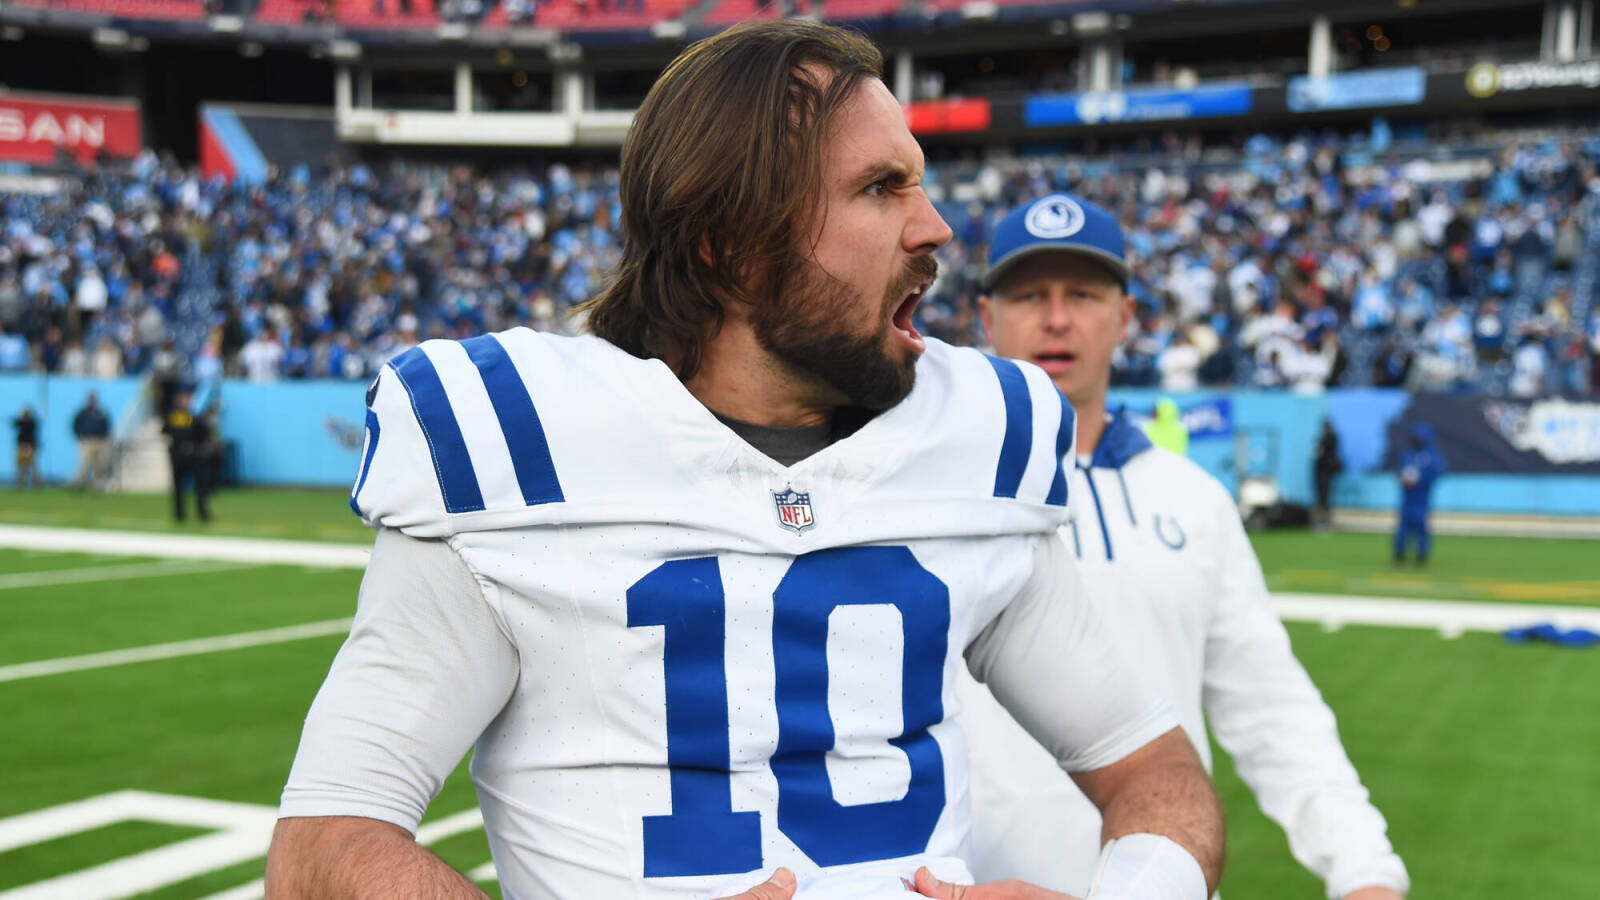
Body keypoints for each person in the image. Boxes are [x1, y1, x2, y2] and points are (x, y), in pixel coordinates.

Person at [265, 22, 1223, 900]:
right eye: (880, 188)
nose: (935, 227)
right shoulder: (516, 445)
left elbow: (1155, 770)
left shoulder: (977, 435)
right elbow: (324, 847)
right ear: (731, 246)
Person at [963, 192, 1409, 900]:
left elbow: (1269, 706)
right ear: (987, 318)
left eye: (1083, 294)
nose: (1056, 318)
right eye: (1028, 295)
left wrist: (1366, 871)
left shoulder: (1195, 500)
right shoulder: (934, 499)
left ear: (1126, 318)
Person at [1394, 423, 1445, 566]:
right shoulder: (1407, 454)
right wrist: (1403, 479)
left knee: (1421, 527)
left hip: (1421, 497)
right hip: (1407, 497)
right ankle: (1399, 555)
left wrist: (1419, 480)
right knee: (1403, 527)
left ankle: (1421, 556)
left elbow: (1437, 472)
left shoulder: (1431, 456)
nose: (1415, 441)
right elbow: (1399, 470)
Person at [162, 390, 212, 523]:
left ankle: (202, 512)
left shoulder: (192, 417)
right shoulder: (175, 417)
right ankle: (180, 514)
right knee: (179, 487)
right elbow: (165, 432)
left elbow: (204, 432)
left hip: (193, 454)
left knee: (200, 485)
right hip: (180, 455)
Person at [72, 392, 114, 491]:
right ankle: (79, 484)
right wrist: (80, 436)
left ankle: (96, 486)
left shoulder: (100, 412)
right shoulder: (83, 413)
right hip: (87, 441)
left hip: (101, 441)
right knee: (85, 464)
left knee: (101, 464)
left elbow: (107, 425)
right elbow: (75, 425)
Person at [1314, 420, 1343, 531]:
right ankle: (1322, 522)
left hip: (1326, 474)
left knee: (1325, 499)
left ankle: (1325, 522)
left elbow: (1322, 454)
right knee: (1322, 499)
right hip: (1322, 474)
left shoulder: (1330, 440)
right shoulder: (1325, 440)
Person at [11, 405, 40, 488]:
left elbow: (32, 427)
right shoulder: (21, 422)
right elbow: (15, 423)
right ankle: (21, 482)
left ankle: (36, 482)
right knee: (20, 465)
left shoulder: (32, 423)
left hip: (29, 446)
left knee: (32, 465)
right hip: (21, 445)